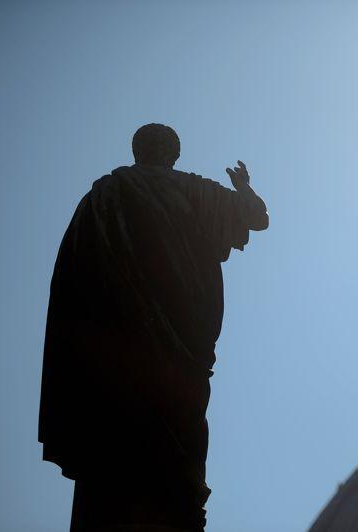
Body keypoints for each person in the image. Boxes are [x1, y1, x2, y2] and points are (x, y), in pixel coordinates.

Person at [39, 123, 268, 531]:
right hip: (178, 343)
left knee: (123, 440)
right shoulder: (194, 191)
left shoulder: (105, 195)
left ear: (137, 150)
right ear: (172, 154)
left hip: (121, 345)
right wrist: (244, 188)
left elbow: (71, 276)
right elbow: (257, 217)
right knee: (177, 430)